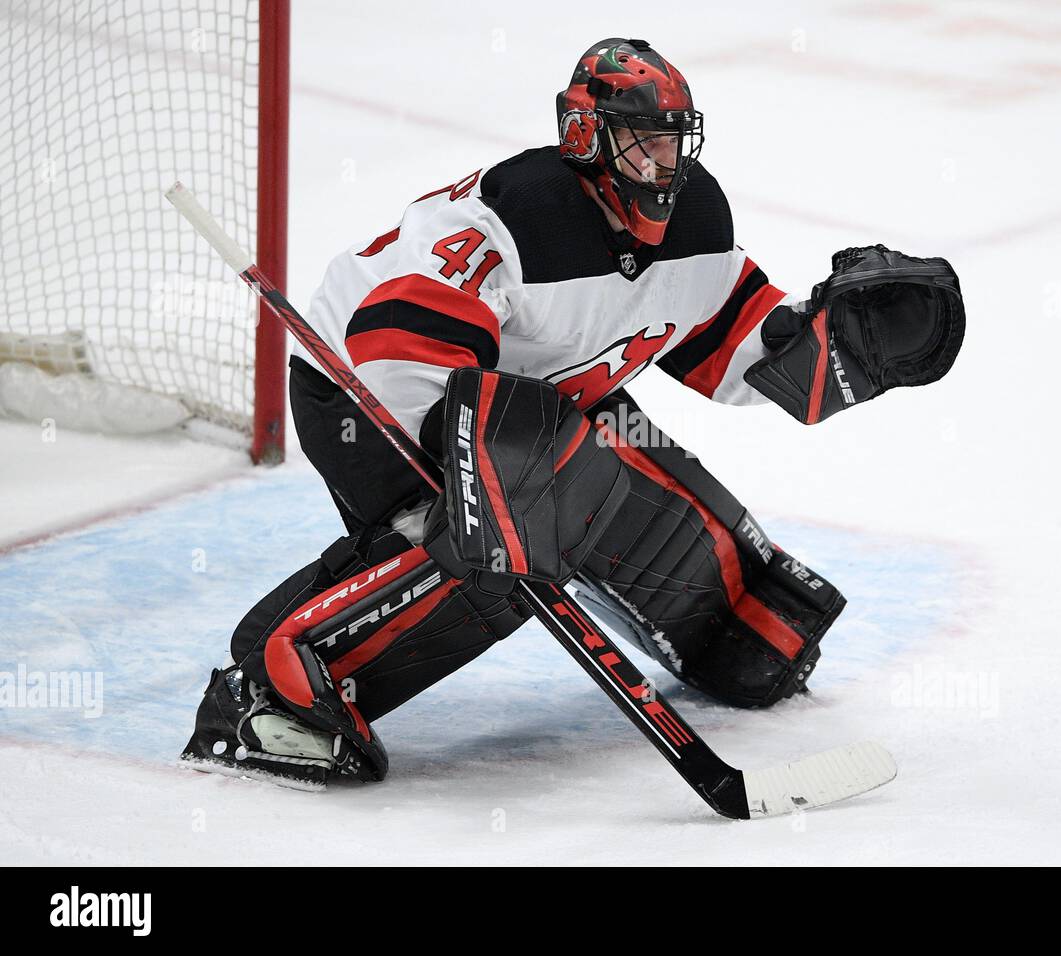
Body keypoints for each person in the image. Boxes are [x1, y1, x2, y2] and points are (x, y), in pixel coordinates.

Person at [181, 37, 966, 788]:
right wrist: (486, 480)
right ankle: (267, 699)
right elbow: (392, 340)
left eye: (672, 141)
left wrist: (837, 345)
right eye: (641, 143)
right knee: (502, 540)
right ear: (588, 137)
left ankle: (735, 632)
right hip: (365, 392)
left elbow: (734, 348)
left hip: (527, 392)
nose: (663, 164)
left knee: (611, 469)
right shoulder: (520, 221)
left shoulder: (695, 224)